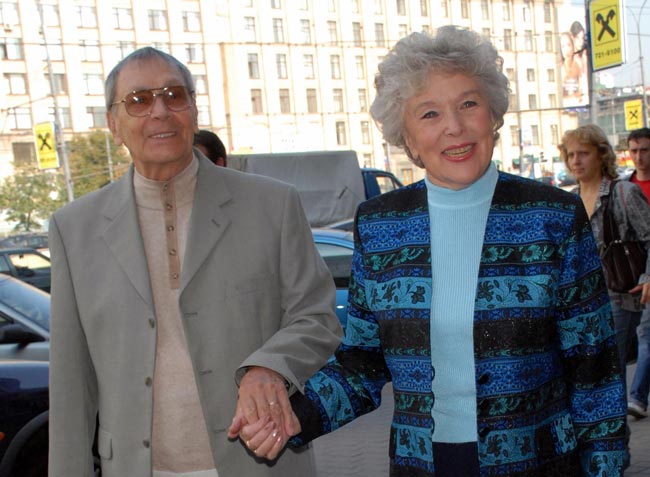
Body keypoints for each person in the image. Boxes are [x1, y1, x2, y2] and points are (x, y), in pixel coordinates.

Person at [233, 26, 627, 476]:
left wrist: (606, 469)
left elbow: (595, 366)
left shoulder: (552, 215)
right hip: (422, 464)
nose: (454, 127)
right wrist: (289, 416)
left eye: (468, 104)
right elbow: (363, 362)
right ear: (408, 139)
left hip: (540, 465)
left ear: (493, 114)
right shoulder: (381, 224)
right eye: (429, 114)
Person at [48, 47, 342, 477]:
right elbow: (71, 381)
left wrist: (270, 366)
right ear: (113, 123)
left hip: (260, 462)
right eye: (139, 100)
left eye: (174, 95)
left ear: (194, 109)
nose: (160, 111)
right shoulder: (74, 228)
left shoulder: (272, 204)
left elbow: (317, 317)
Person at [625, 127, 650, 418]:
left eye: (644, 150)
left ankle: (638, 397)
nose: (639, 156)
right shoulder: (625, 187)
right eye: (634, 150)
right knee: (644, 334)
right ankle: (638, 397)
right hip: (635, 280)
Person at [560, 31, 582, 100]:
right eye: (563, 46)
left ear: (573, 46)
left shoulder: (578, 65)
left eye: (568, 45)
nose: (566, 50)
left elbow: (583, 91)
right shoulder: (560, 69)